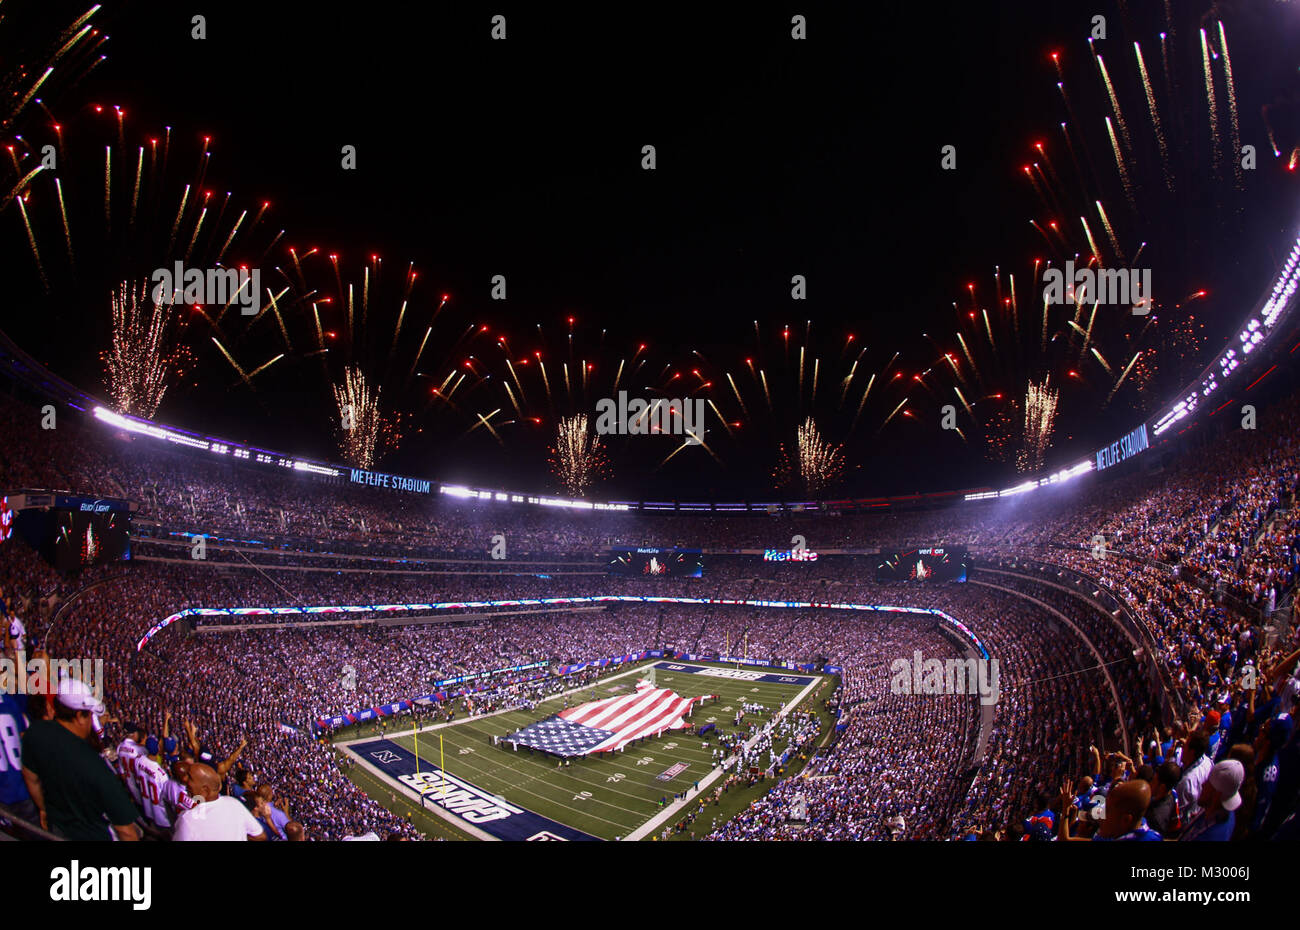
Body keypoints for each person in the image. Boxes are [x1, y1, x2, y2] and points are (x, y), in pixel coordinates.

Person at [19, 679, 140, 840]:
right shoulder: (97, 768)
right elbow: (127, 832)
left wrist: (43, 809)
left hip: (56, 827)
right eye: (90, 714)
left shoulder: (35, 732)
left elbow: (31, 777)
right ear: (79, 716)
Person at [172, 763, 266, 841]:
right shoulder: (234, 803)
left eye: (190, 777)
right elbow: (260, 836)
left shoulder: (188, 820)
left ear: (205, 790)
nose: (185, 780)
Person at [1179, 760, 1244, 842]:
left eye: (1208, 783)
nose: (1203, 784)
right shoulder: (1227, 814)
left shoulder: (1211, 836)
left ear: (1216, 795)